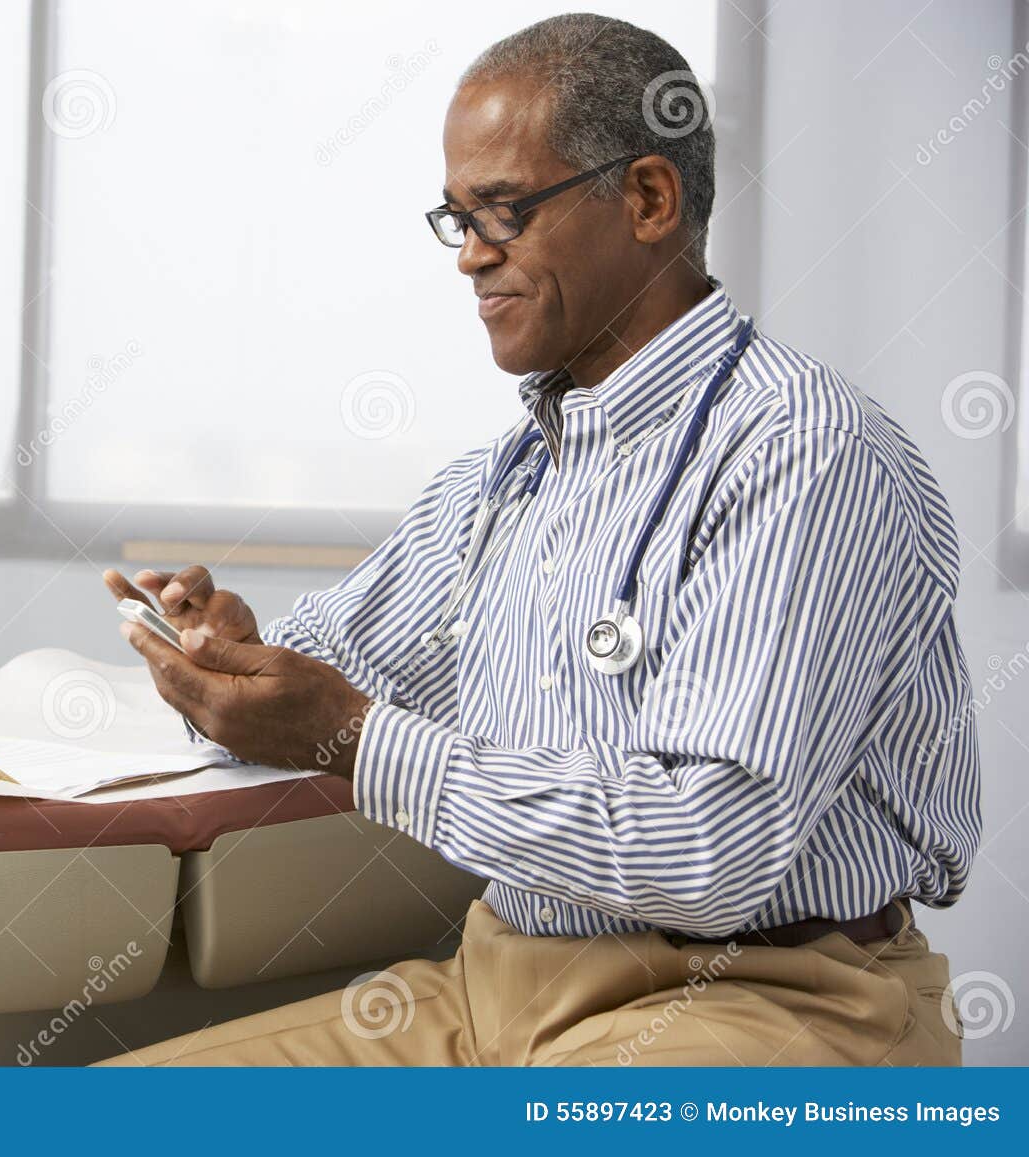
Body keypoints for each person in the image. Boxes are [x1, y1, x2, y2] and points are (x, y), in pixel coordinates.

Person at [98, 12, 979, 1066]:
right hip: (495, 984)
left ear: (648, 198)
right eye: (456, 217)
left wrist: (356, 734)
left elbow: (715, 850)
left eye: (504, 210)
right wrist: (227, 664)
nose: (470, 255)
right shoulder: (496, 484)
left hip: (767, 997)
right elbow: (317, 692)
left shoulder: (803, 451)